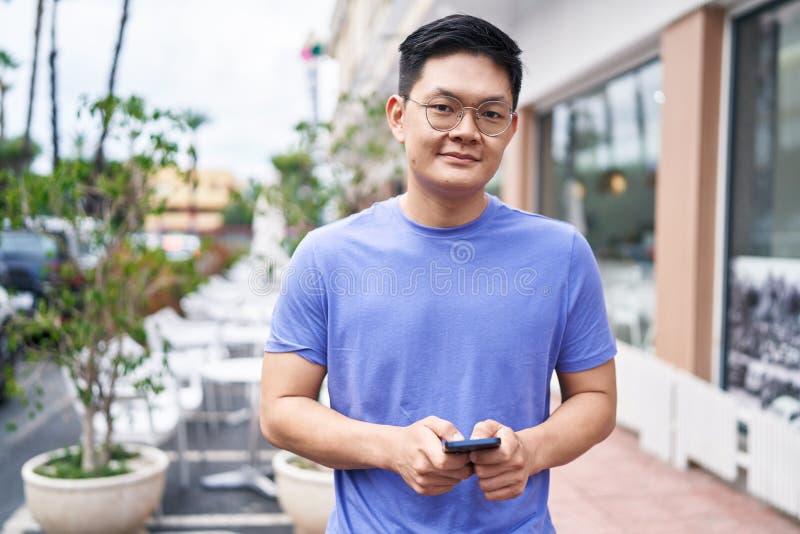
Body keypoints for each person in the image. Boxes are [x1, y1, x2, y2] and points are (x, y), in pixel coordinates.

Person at [261, 13, 617, 533]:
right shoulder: (327, 255)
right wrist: (391, 448)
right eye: (443, 108)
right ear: (398, 116)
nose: (466, 131)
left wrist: (531, 450)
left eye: (490, 113)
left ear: (511, 128)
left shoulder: (561, 253)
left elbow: (597, 398)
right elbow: (280, 408)